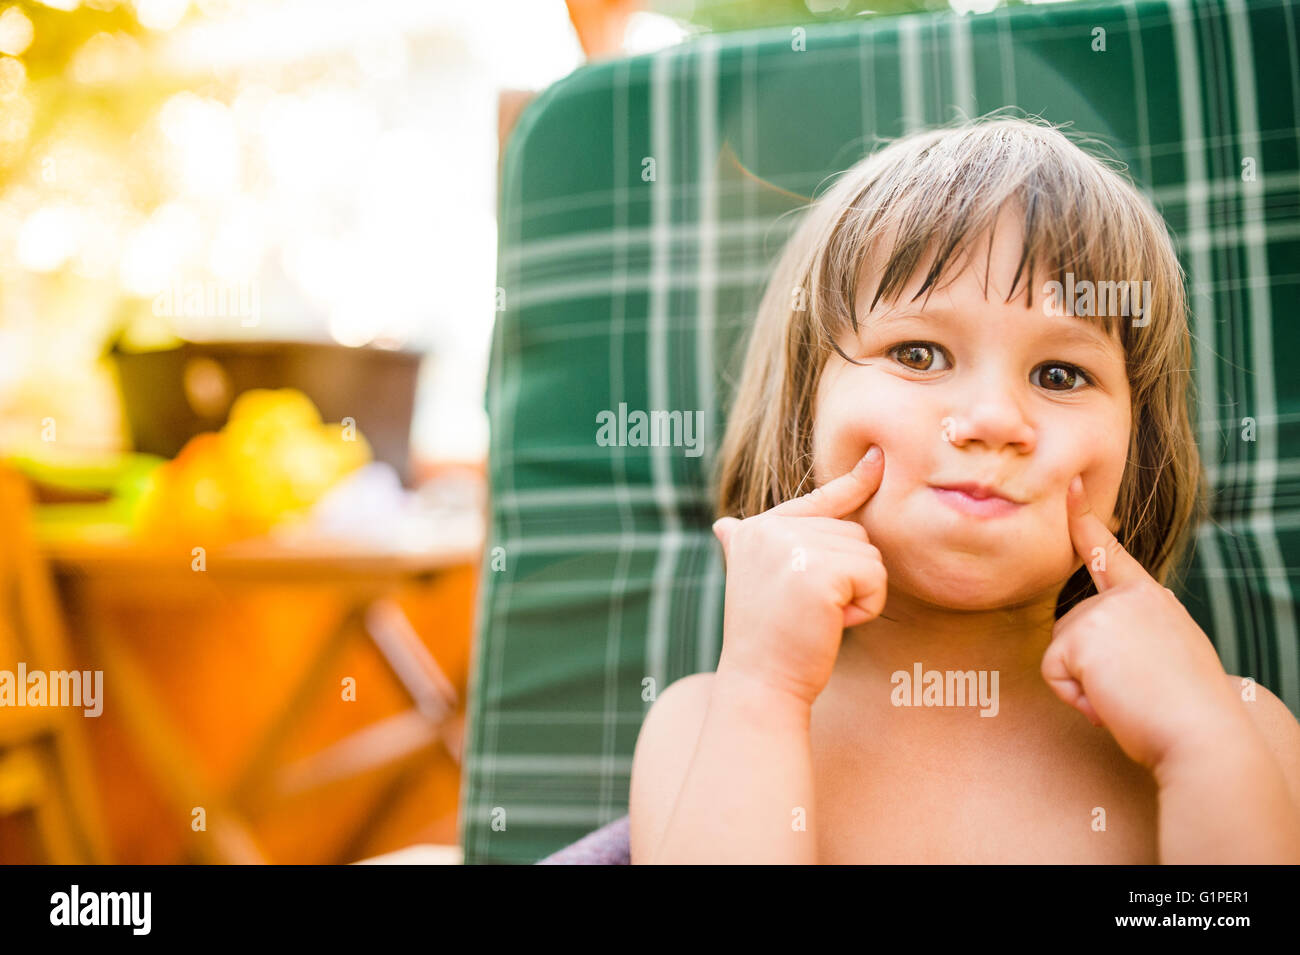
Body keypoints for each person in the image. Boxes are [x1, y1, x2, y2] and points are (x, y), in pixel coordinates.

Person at [628, 114, 1300, 864]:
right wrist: (763, 689)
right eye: (919, 353)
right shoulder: (708, 725)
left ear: (1138, 458)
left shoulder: (1243, 732)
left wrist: (1201, 749)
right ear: (803, 418)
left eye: (1059, 374)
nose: (992, 420)